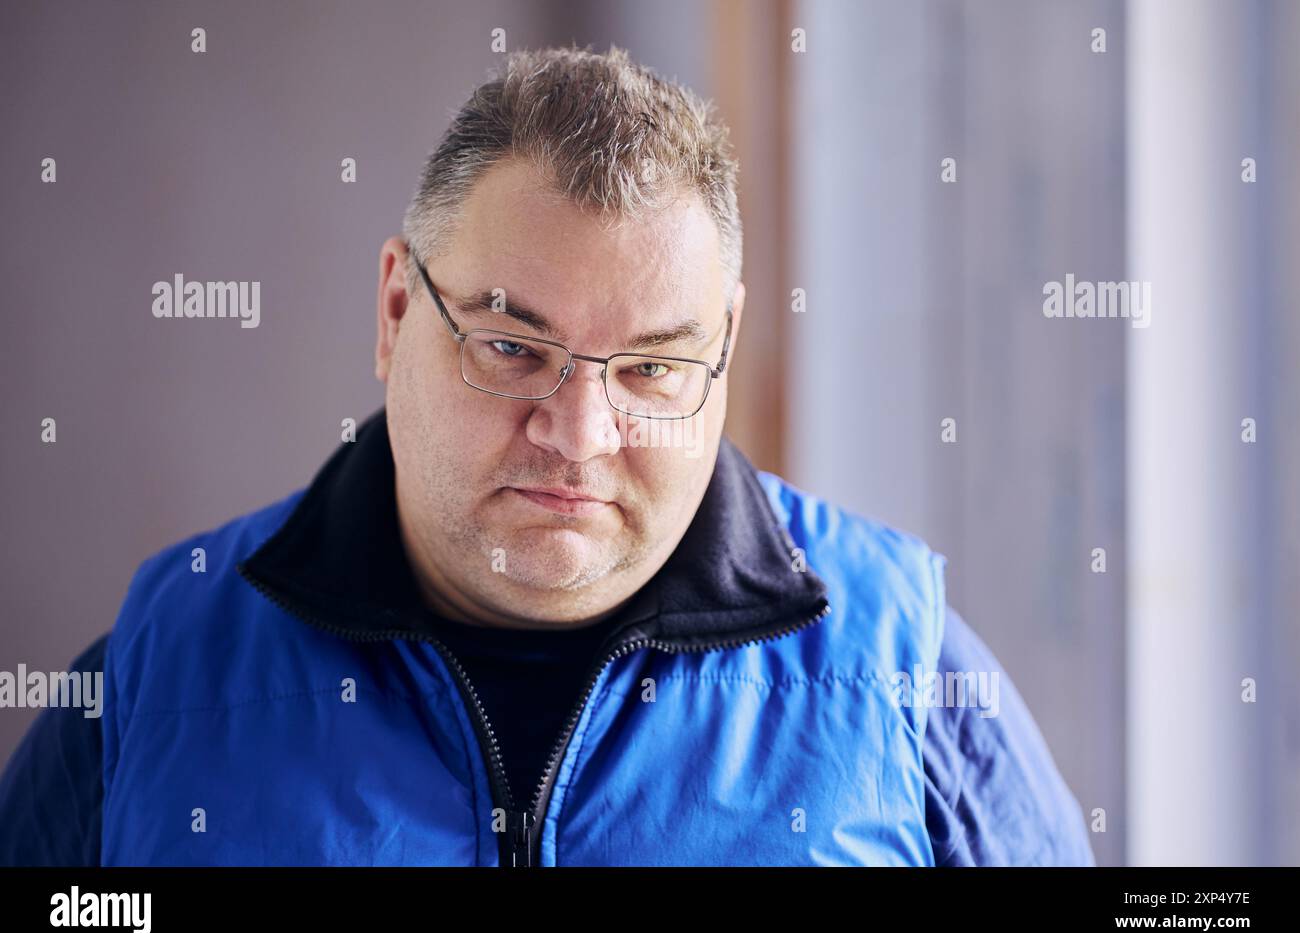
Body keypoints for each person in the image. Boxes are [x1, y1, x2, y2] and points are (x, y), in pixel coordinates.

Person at [0, 44, 1093, 867]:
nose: (579, 433)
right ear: (394, 311)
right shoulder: (165, 668)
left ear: (722, 349)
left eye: (653, 369)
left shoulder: (904, 670)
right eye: (514, 347)